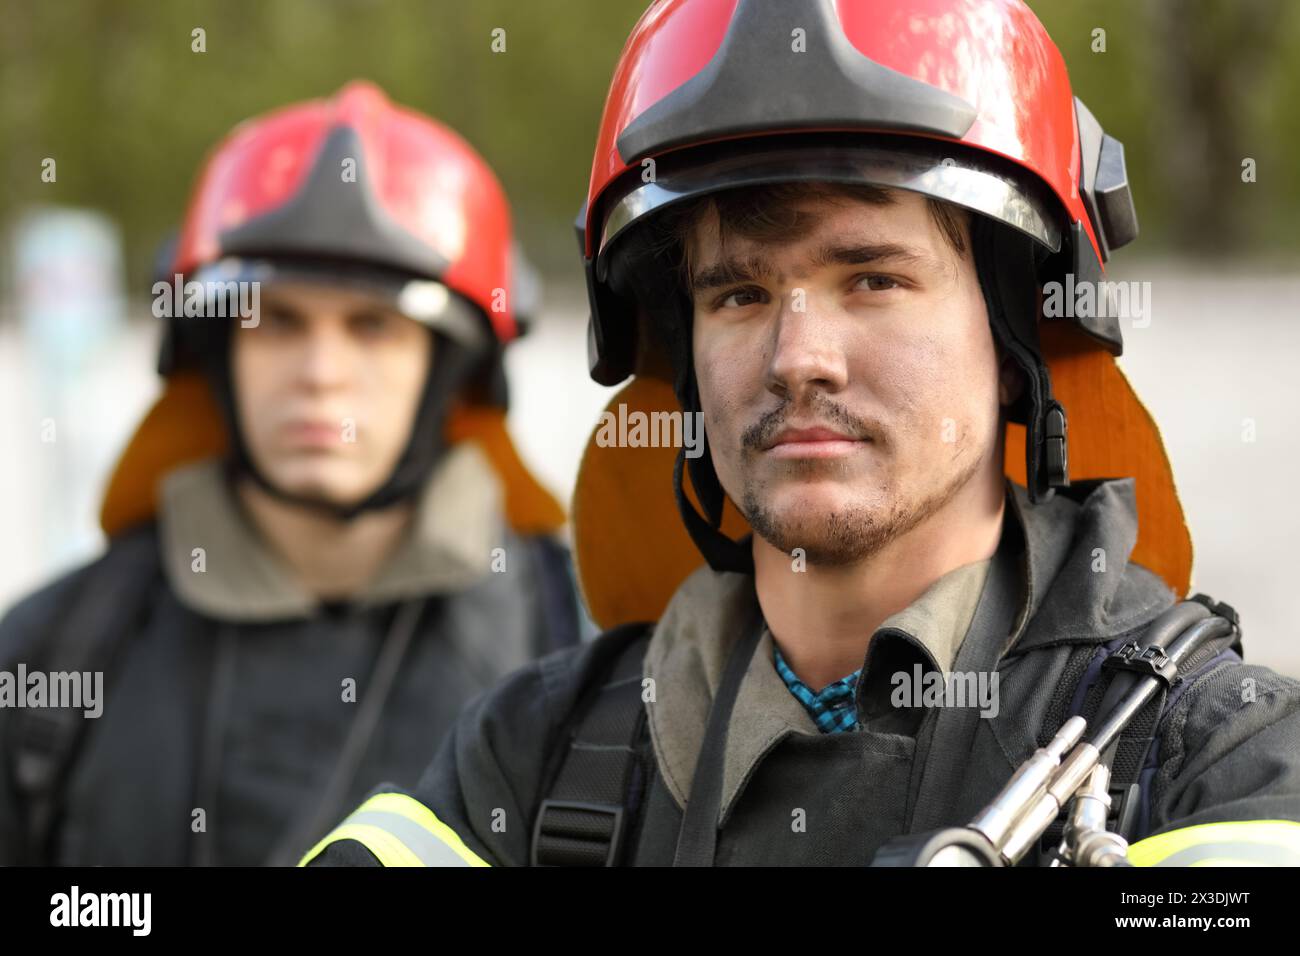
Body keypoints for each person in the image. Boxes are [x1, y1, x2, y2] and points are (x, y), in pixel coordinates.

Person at [301, 0, 1300, 867]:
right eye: (737, 293)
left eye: (872, 279)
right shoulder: (526, 758)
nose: (797, 356)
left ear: (1012, 337)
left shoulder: (1209, 762)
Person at [0, 81, 583, 865]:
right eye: (276, 321)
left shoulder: (581, 651)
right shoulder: (50, 661)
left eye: (372, 326)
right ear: (214, 356)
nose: (320, 373)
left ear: (450, 372)